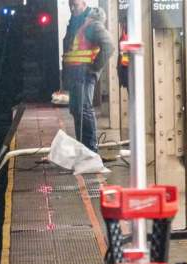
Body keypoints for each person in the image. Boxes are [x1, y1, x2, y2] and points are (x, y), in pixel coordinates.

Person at [62, 0, 113, 151]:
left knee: (84, 109)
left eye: (75, 5)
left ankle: (90, 150)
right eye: (70, 5)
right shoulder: (76, 22)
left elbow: (109, 45)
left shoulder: (92, 24)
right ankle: (83, 148)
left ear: (84, 3)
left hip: (84, 73)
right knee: (77, 111)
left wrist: (94, 68)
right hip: (75, 73)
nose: (72, 8)